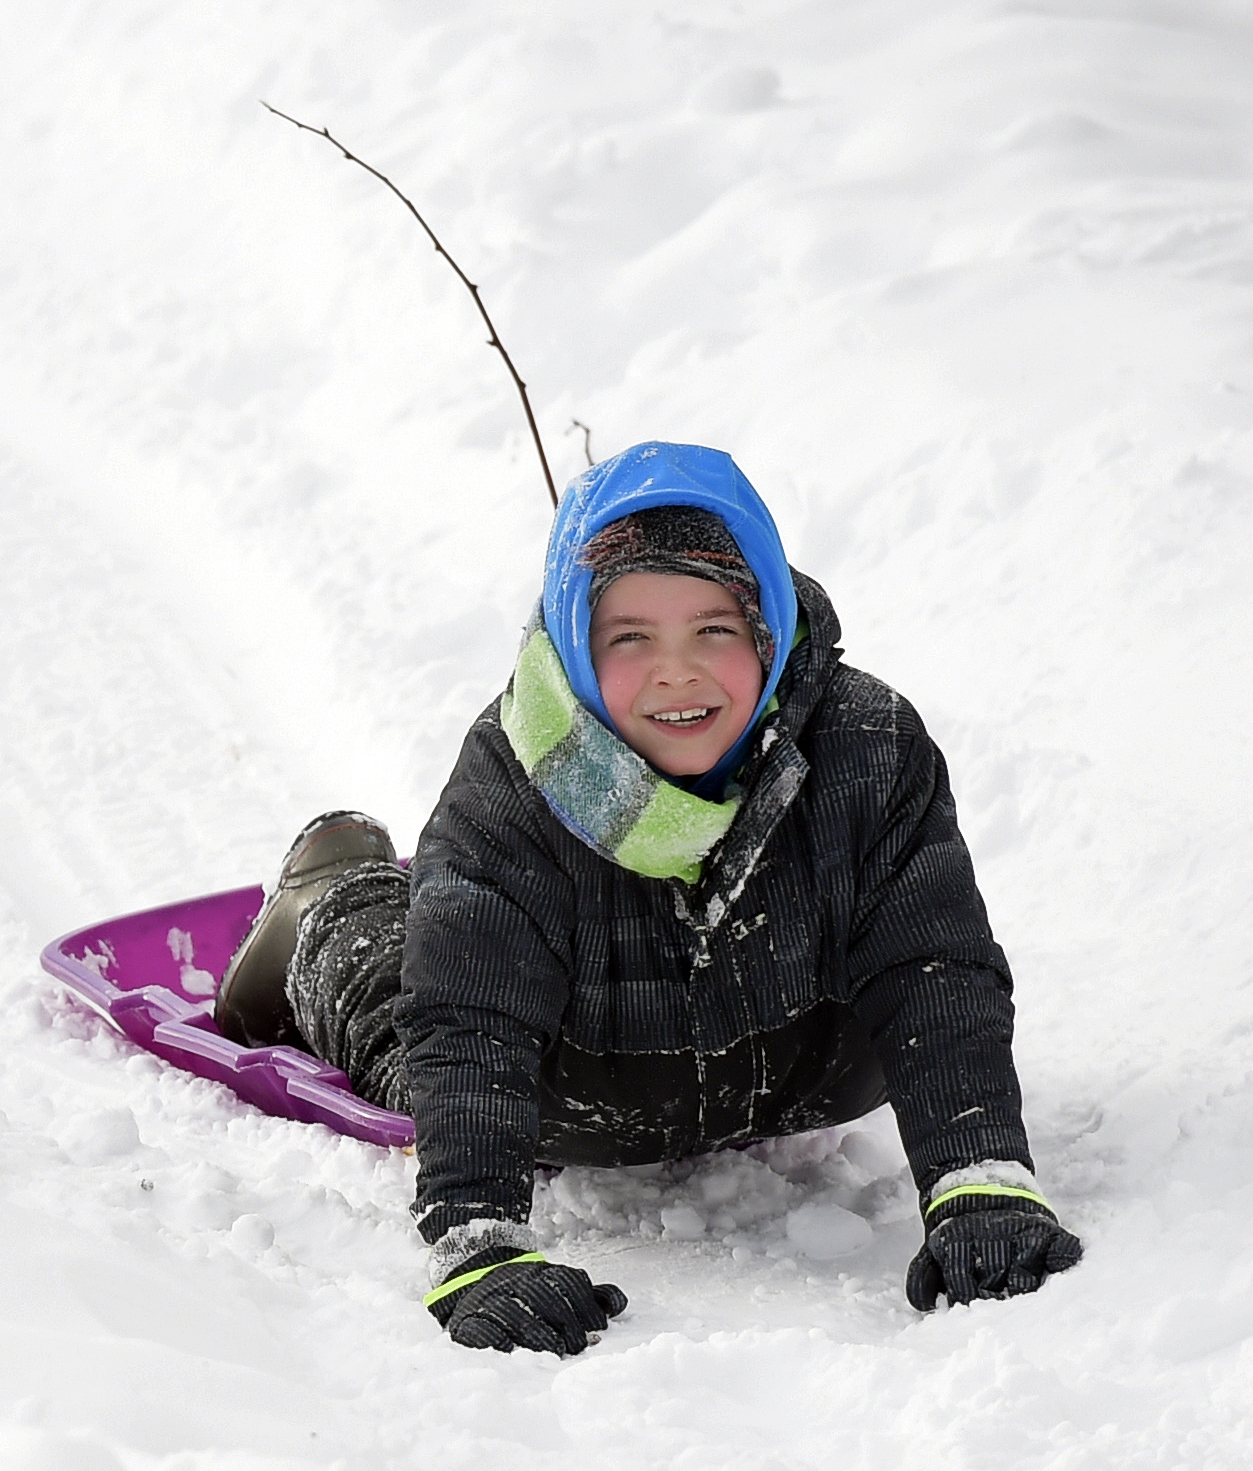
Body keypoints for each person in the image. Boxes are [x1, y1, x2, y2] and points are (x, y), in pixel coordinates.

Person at [214, 441, 1082, 1355]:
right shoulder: (516, 780)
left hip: (810, 1058)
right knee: (404, 1026)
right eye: (630, 637)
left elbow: (930, 966)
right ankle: (329, 904)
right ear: (576, 644)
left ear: (769, 626)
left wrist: (978, 1178)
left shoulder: (866, 745)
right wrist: (480, 1247)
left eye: (714, 629)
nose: (678, 670)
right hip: (573, 1083)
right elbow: (470, 1021)